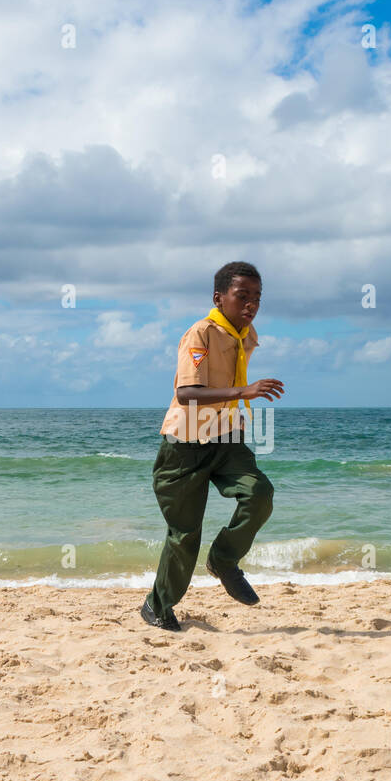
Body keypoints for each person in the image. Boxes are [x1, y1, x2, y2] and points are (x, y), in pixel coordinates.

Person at [140, 261, 285, 631]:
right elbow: (186, 393)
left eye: (256, 297)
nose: (251, 304)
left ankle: (223, 559)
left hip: (227, 437)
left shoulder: (246, 334)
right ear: (219, 298)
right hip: (184, 444)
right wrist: (244, 391)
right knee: (185, 536)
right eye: (242, 296)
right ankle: (157, 607)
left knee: (259, 493)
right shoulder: (200, 333)